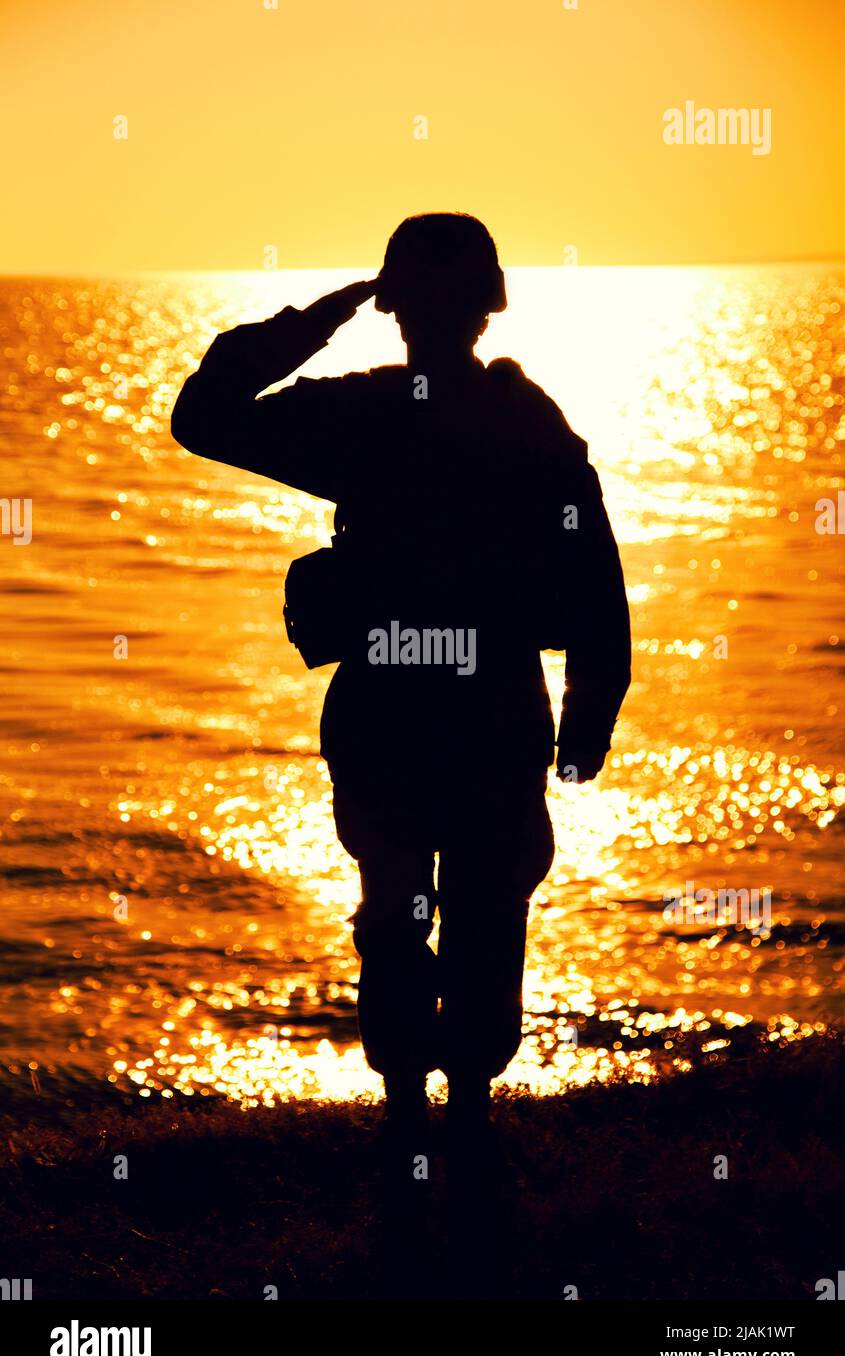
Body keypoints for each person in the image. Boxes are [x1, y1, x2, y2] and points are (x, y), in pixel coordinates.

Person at [171, 213, 630, 1139]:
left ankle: (408, 1108)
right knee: (484, 910)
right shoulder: (525, 423)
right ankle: (456, 1106)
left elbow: (205, 417)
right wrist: (586, 724)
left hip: (388, 705)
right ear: (489, 306)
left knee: (396, 904)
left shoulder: (362, 414)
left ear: (392, 304)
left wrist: (316, 319)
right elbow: (595, 590)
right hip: (493, 705)